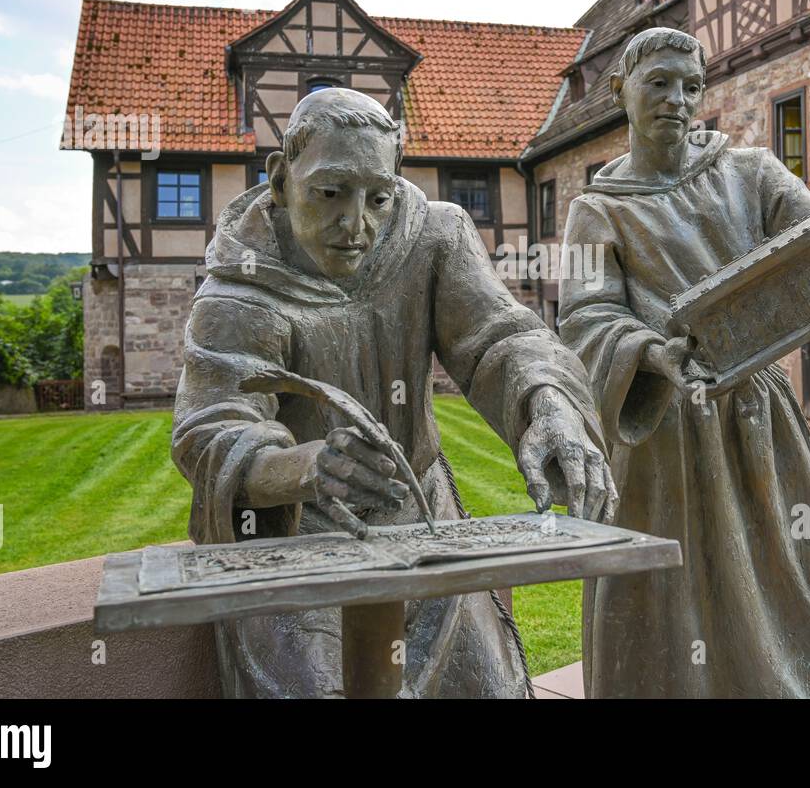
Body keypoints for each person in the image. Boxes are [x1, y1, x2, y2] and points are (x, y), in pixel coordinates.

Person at [172, 87, 614, 698]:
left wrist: (549, 404)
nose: (357, 226)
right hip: (297, 541)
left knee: (492, 691)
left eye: (378, 197)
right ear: (279, 180)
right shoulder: (236, 290)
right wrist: (307, 467)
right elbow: (212, 431)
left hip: (421, 517)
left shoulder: (435, 237)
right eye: (329, 194)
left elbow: (502, 340)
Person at [558, 27, 810, 698]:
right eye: (659, 83)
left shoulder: (749, 174)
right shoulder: (596, 212)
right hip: (660, 434)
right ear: (622, 92)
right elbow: (585, 319)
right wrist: (650, 353)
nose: (677, 99)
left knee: (790, 581)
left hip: (759, 426)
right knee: (670, 594)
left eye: (691, 85)